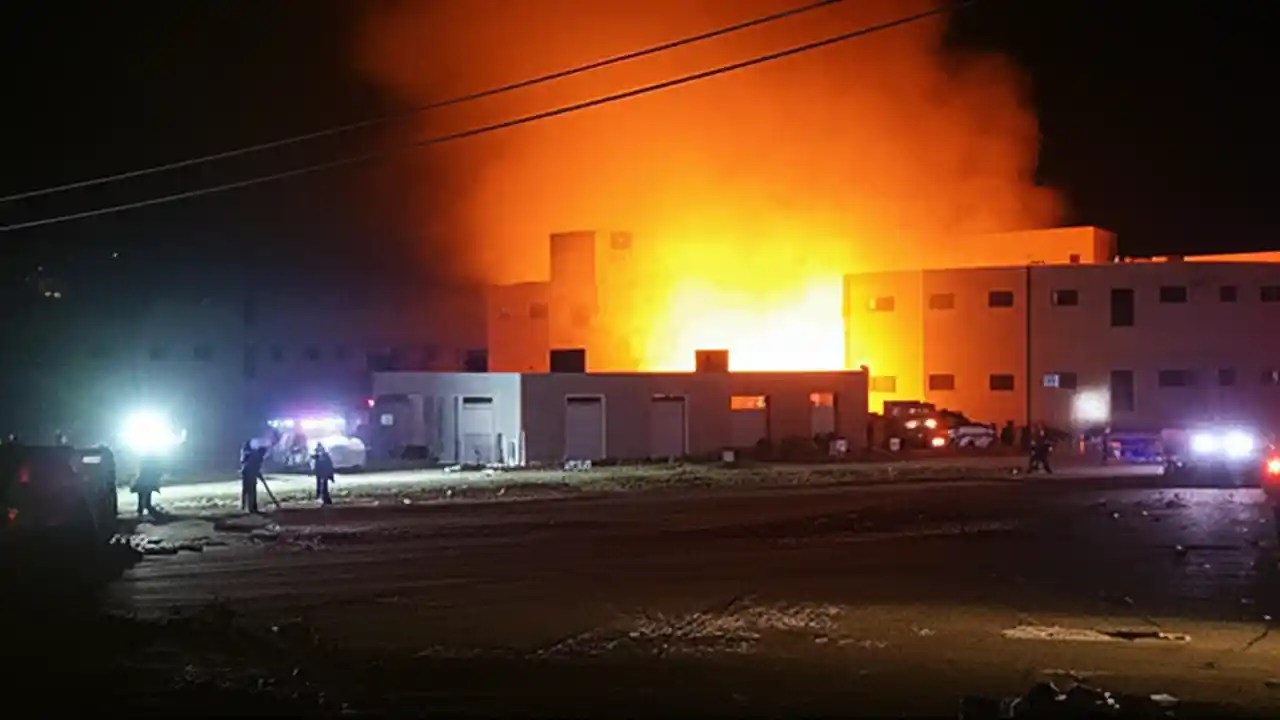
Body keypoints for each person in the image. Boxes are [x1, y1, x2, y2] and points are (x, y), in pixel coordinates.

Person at [240, 440, 261, 514]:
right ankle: (250, 507)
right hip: (249, 473)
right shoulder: (251, 453)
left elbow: (243, 461)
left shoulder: (247, 452)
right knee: (250, 490)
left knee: (248, 490)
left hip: (248, 473)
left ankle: (248, 506)